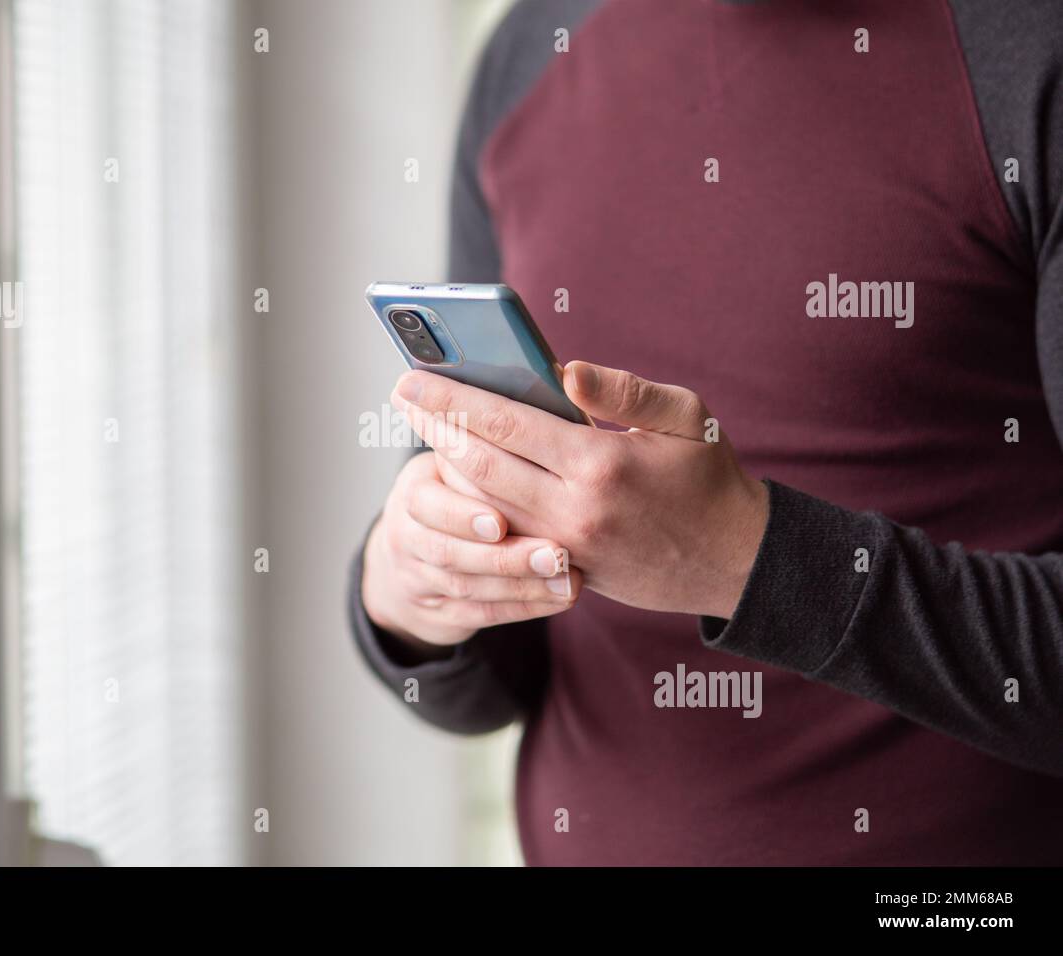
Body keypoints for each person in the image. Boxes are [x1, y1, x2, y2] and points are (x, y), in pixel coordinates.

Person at [348, 0, 1063, 865]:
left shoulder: (1027, 49)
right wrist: (405, 597)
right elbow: (489, 689)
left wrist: (747, 558)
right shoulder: (531, 50)